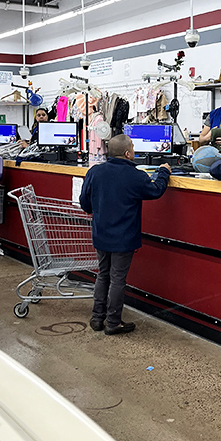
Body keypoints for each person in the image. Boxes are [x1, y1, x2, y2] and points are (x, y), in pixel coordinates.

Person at [79, 134, 170, 335]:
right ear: (128, 153)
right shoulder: (135, 175)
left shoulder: (95, 172)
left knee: (103, 275)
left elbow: (85, 204)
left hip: (101, 235)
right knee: (117, 278)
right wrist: (163, 172)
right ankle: (113, 322)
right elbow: (156, 191)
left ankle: (97, 318)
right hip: (124, 237)